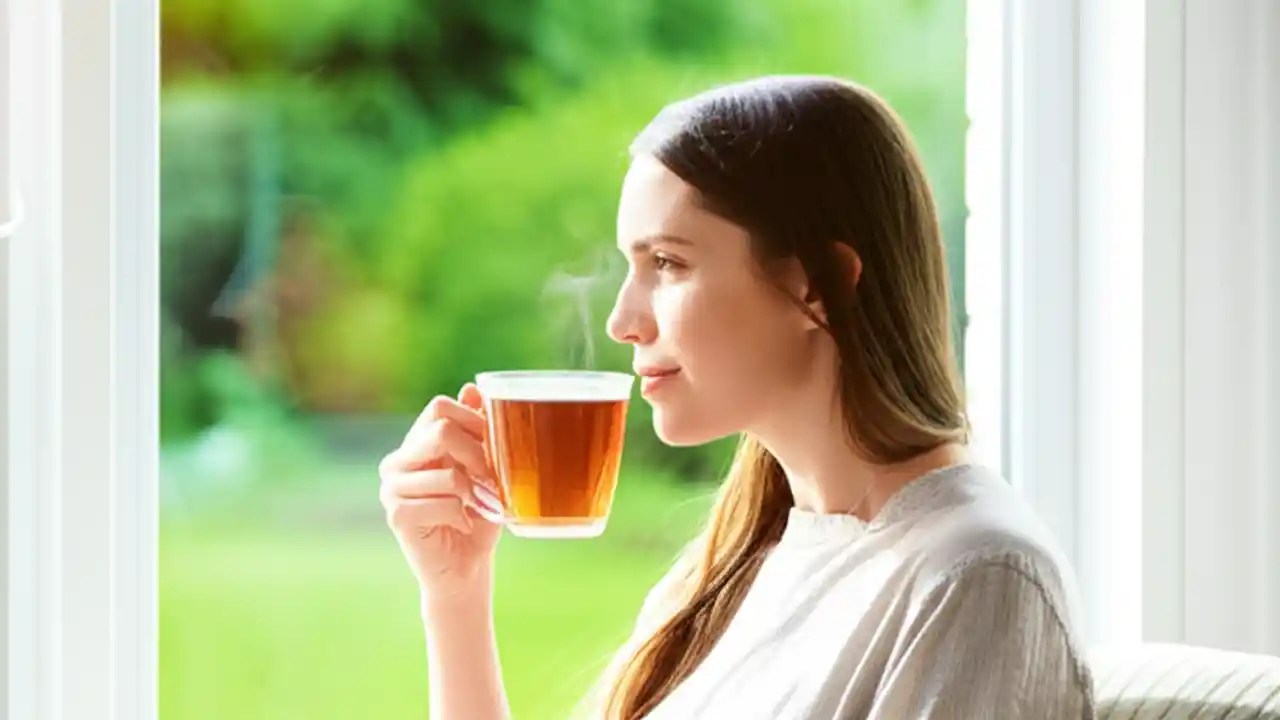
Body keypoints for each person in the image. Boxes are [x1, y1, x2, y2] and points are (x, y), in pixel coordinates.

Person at [378, 75, 1094, 719]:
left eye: (667, 263)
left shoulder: (977, 579)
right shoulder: (732, 571)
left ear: (818, 284)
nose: (623, 321)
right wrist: (456, 595)